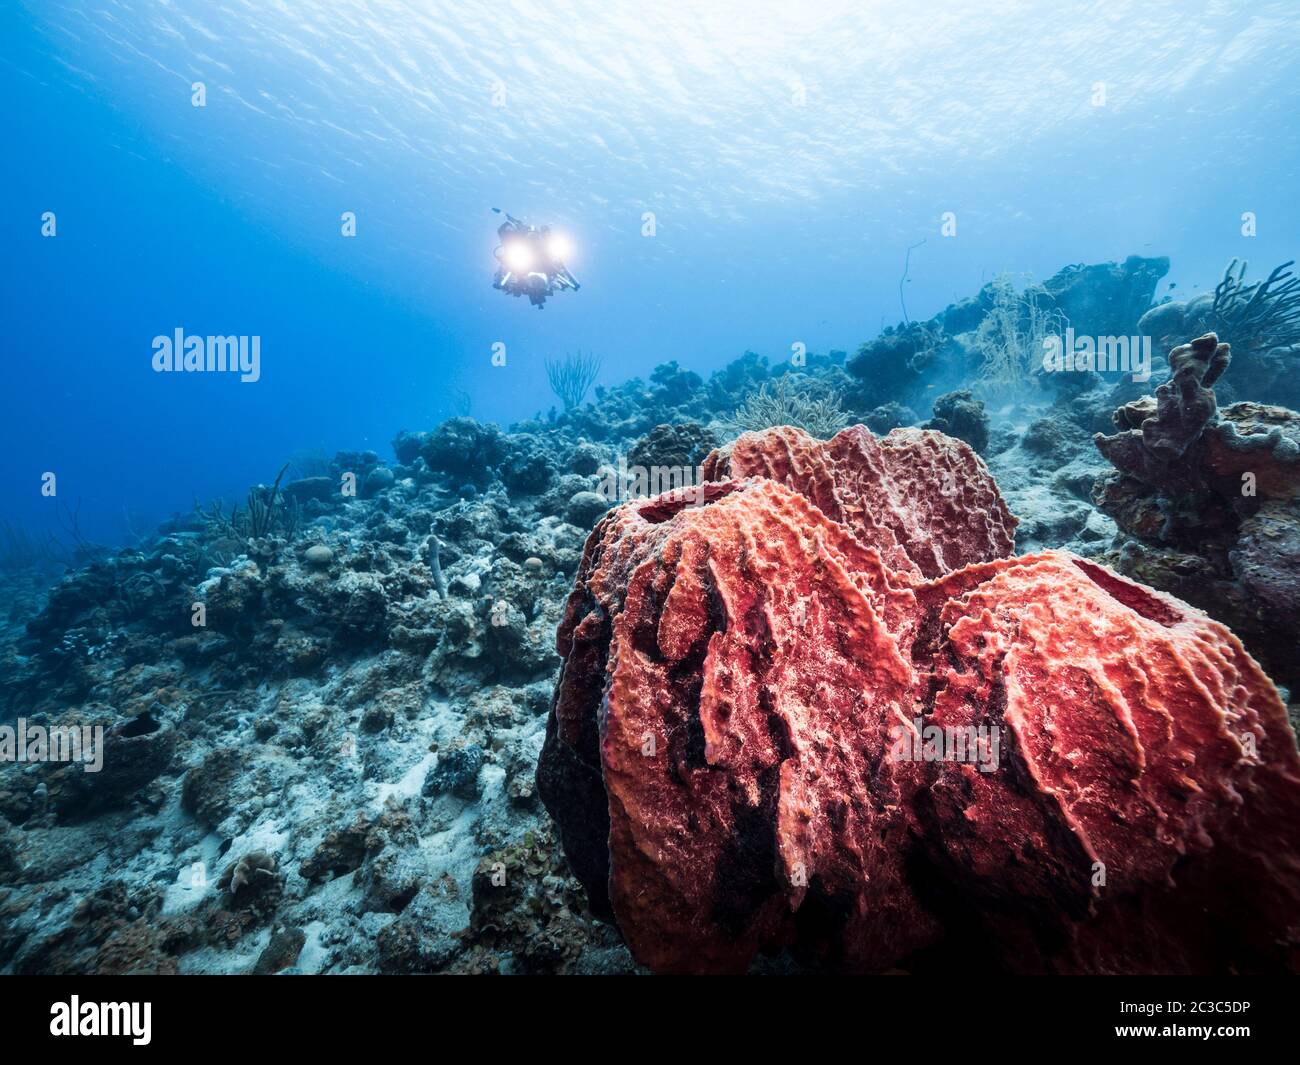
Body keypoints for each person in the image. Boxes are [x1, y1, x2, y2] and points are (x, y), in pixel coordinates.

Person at [491, 209, 579, 308]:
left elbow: (564, 272)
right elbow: (502, 274)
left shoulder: (548, 257)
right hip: (525, 265)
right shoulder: (520, 262)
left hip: (536, 268)